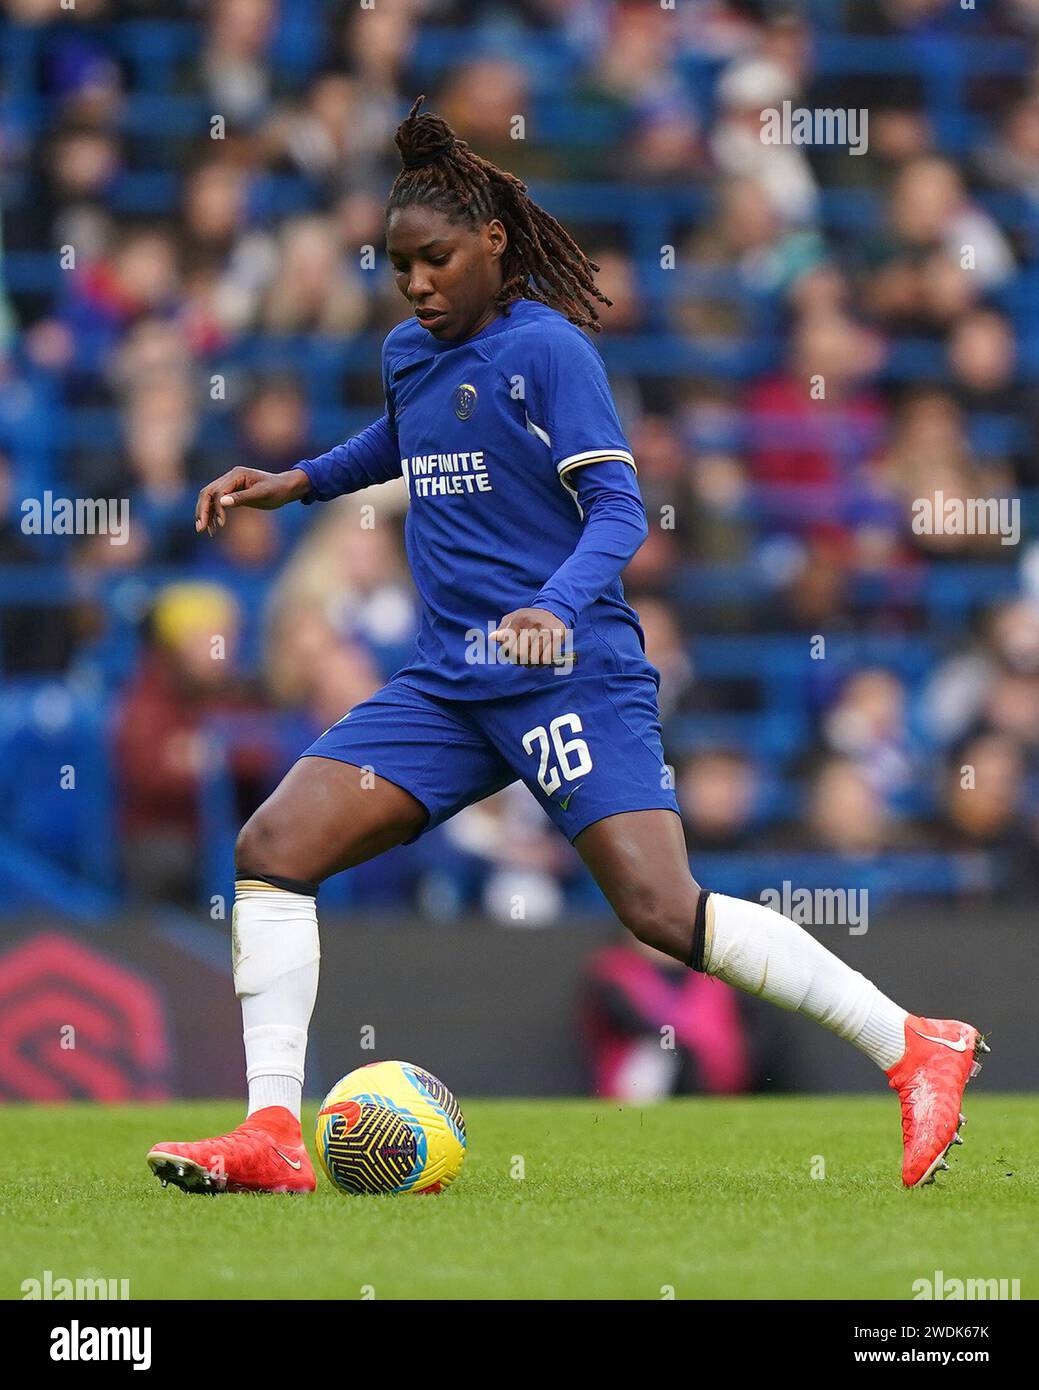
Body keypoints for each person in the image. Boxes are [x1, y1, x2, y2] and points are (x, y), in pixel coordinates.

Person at [146, 98, 986, 1196]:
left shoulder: (550, 351)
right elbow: (406, 438)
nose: (415, 284)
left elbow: (620, 511)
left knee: (660, 910)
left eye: (435, 261)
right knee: (273, 846)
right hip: (451, 682)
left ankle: (913, 1043)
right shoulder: (409, 352)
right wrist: (298, 481)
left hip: (567, 673)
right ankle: (272, 1132)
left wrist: (552, 606)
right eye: (399, 267)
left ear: (493, 243)